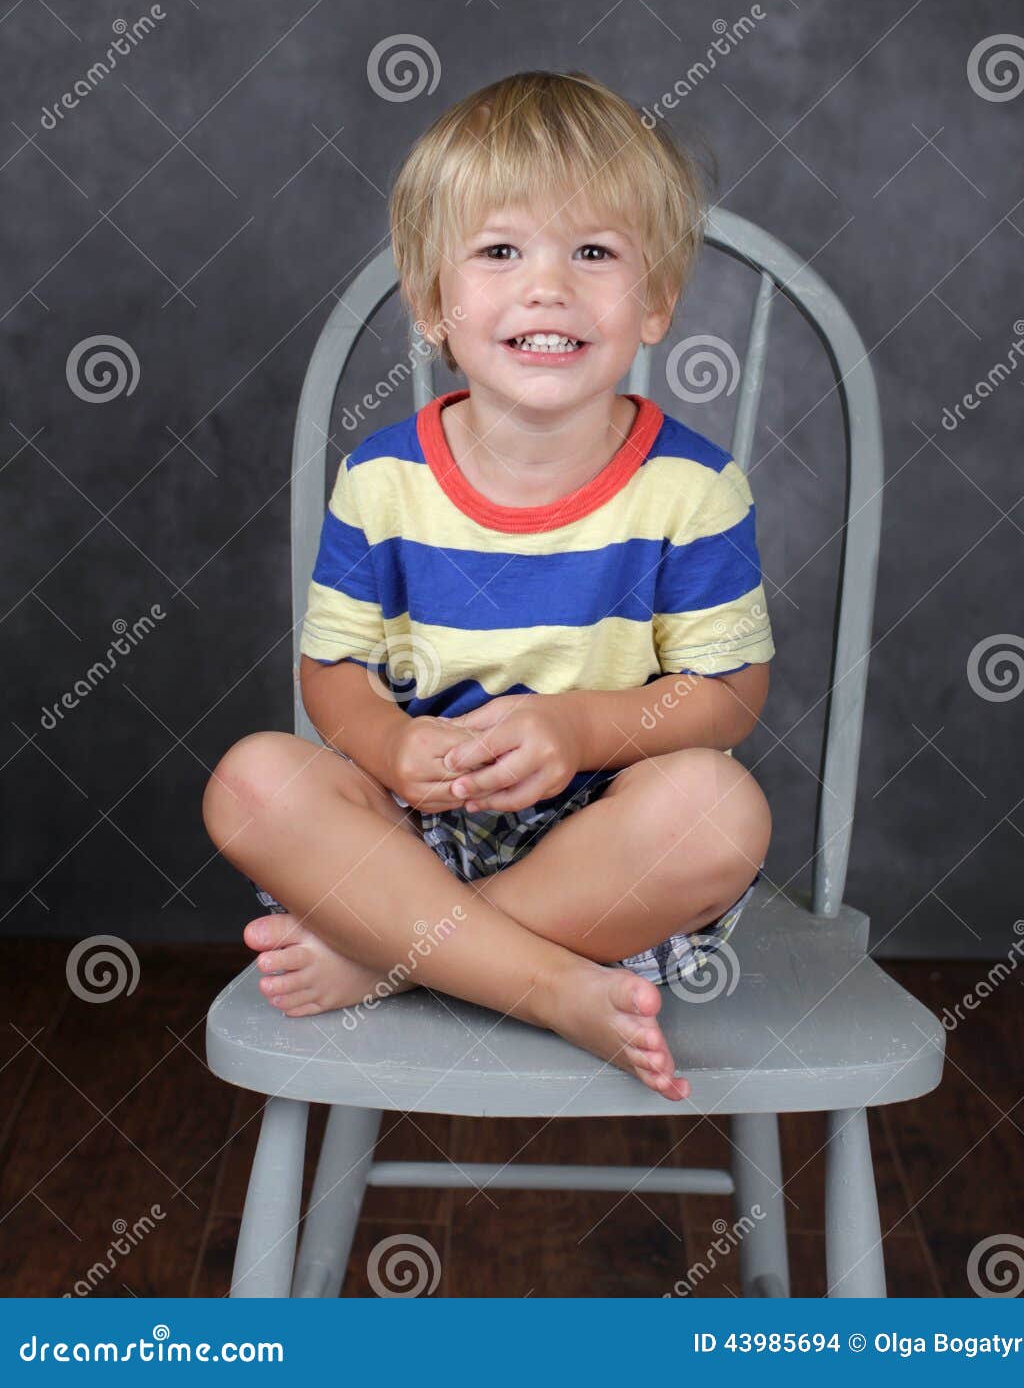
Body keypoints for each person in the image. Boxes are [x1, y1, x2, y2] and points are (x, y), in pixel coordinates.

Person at [202, 69, 775, 1102]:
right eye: (501, 250)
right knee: (252, 778)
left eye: (593, 252)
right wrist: (390, 745)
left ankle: (394, 962)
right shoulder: (385, 478)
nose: (546, 286)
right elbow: (332, 673)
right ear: (433, 303)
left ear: (653, 301)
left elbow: (727, 698)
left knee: (720, 811)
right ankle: (545, 985)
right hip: (413, 831)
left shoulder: (691, 488)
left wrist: (579, 731)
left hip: (599, 848)